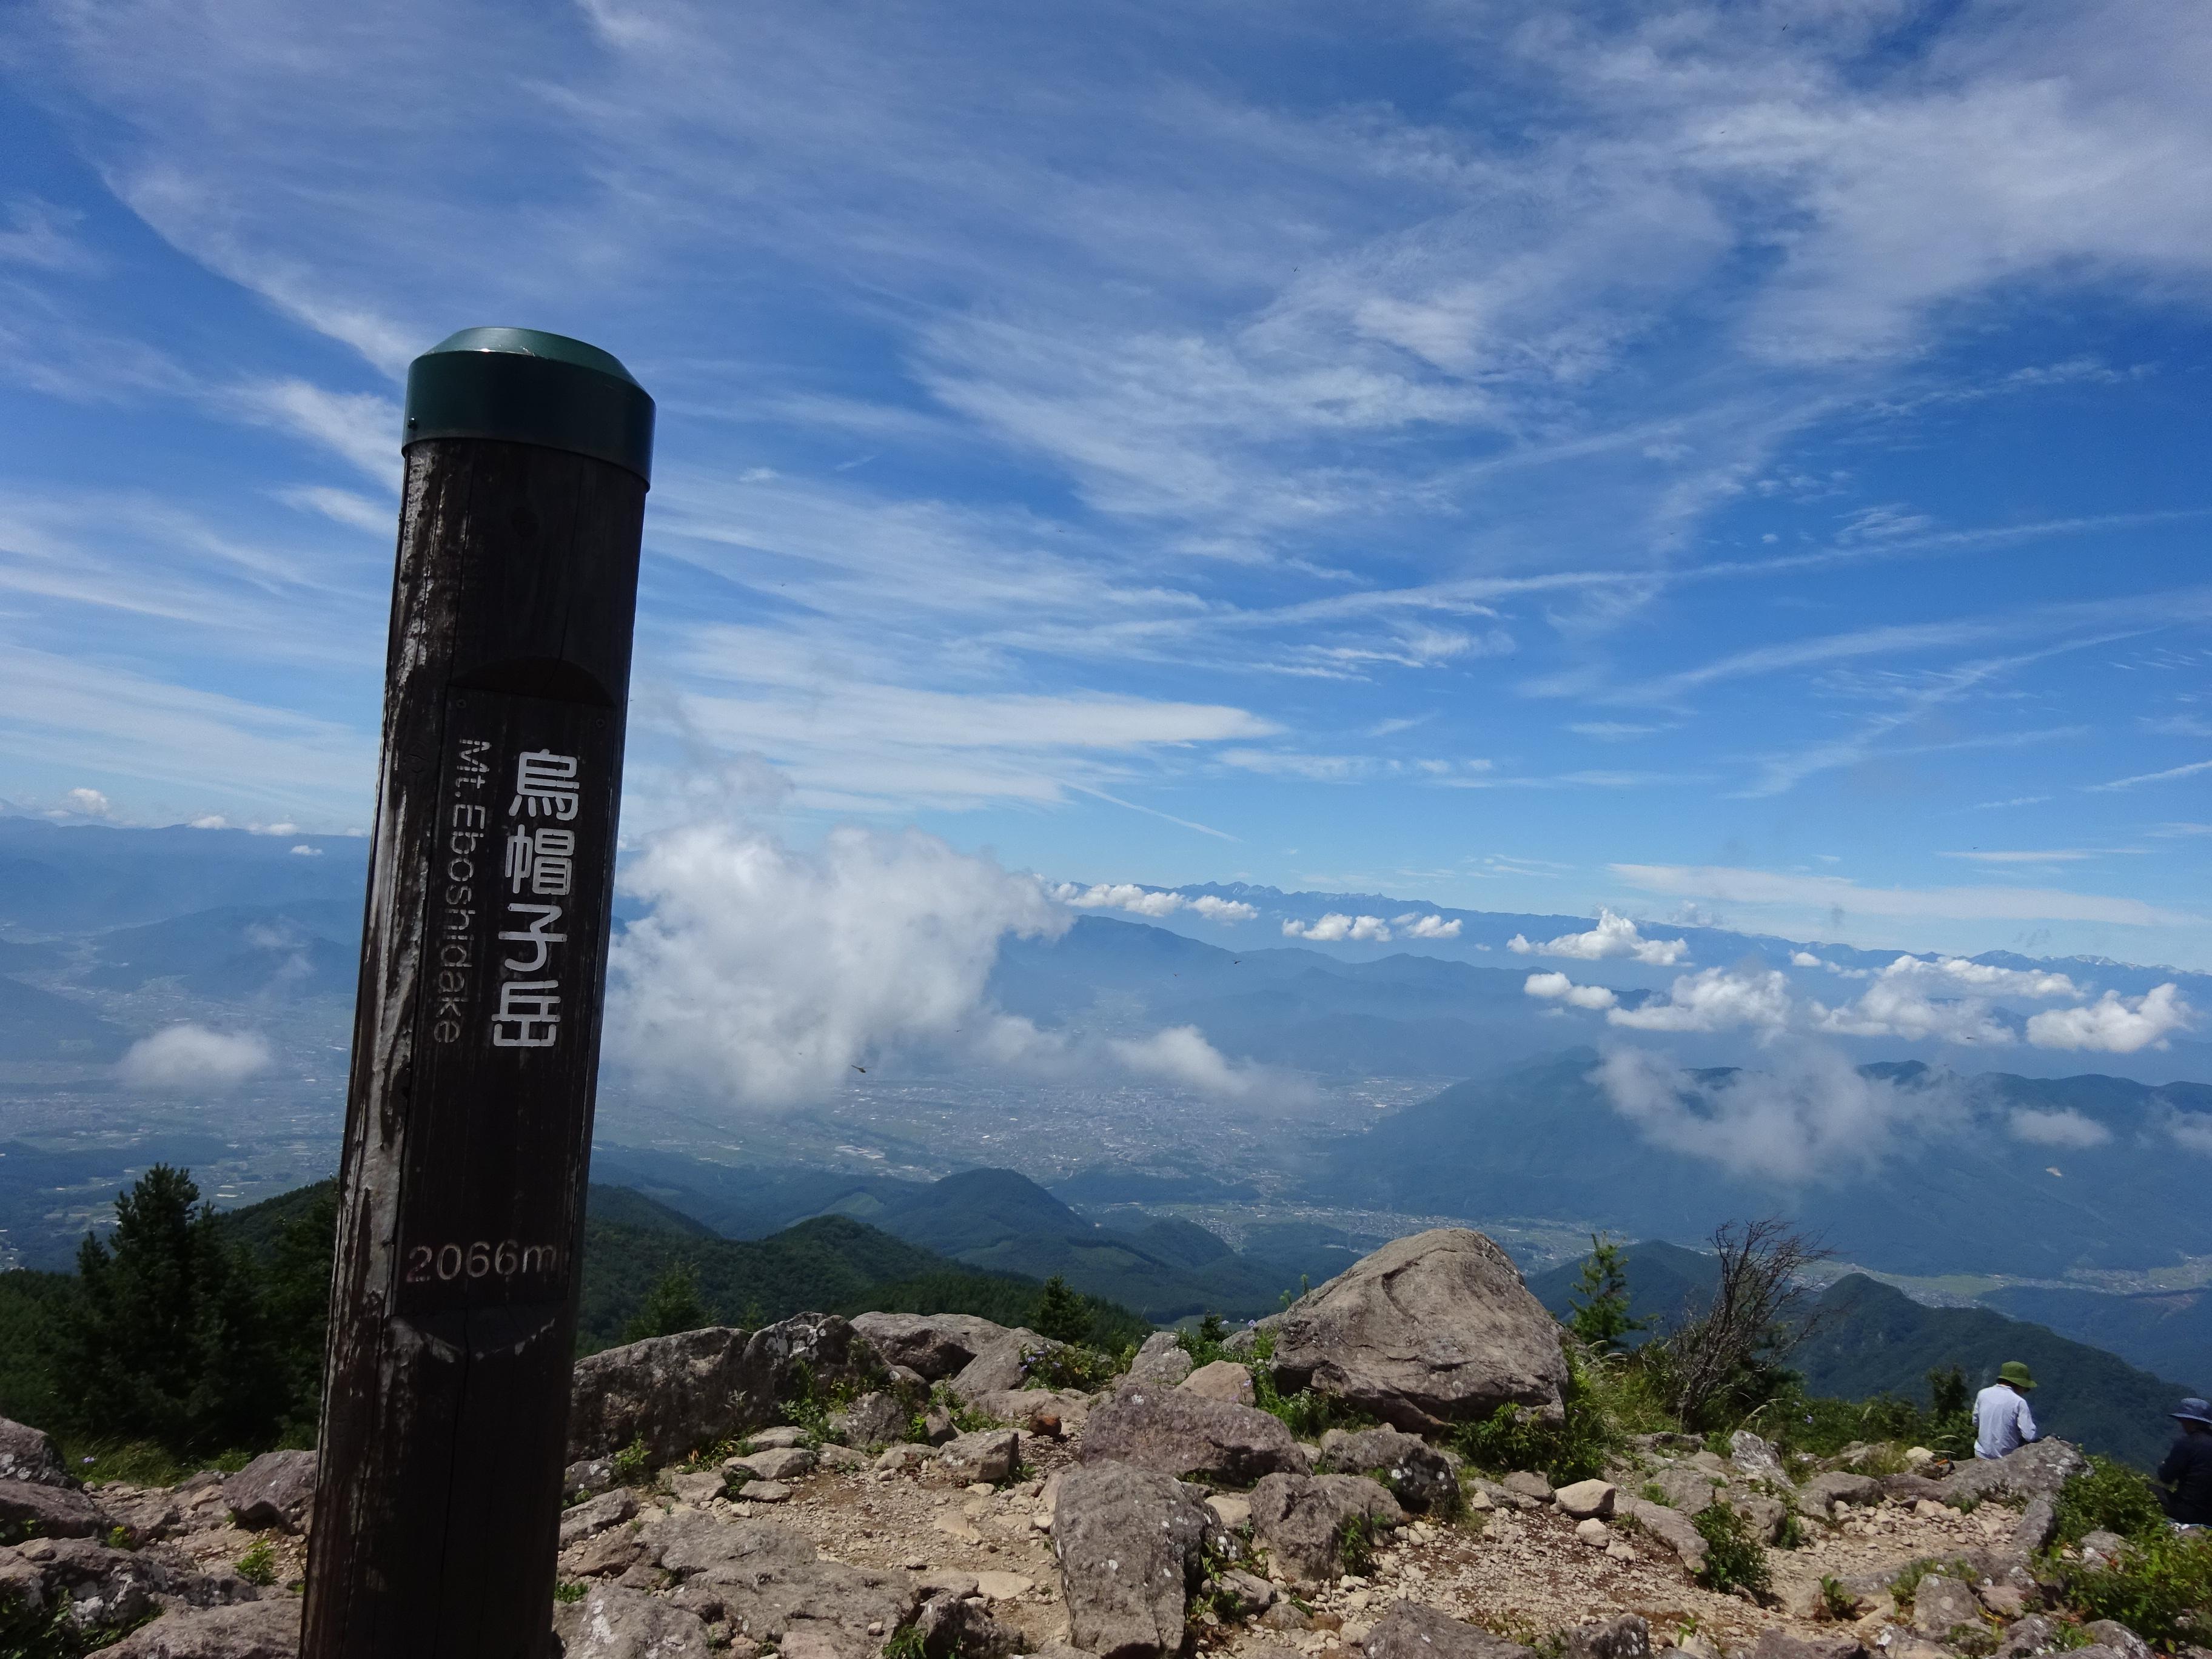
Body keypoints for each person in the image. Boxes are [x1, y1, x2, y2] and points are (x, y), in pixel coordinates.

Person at [2156, 1397, 2212, 1526]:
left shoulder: (2187, 1443)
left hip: (2187, 1512)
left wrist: (2163, 1465)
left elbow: (2166, 1478)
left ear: (2187, 1421)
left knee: (2148, 1490)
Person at [1973, 1361, 2039, 1459]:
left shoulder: (1982, 1394)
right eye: (2025, 1388)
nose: (2024, 1392)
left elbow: (1976, 1423)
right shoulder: (2019, 1402)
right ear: (2019, 1384)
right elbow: (2029, 1436)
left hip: (1981, 1453)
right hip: (2006, 1458)